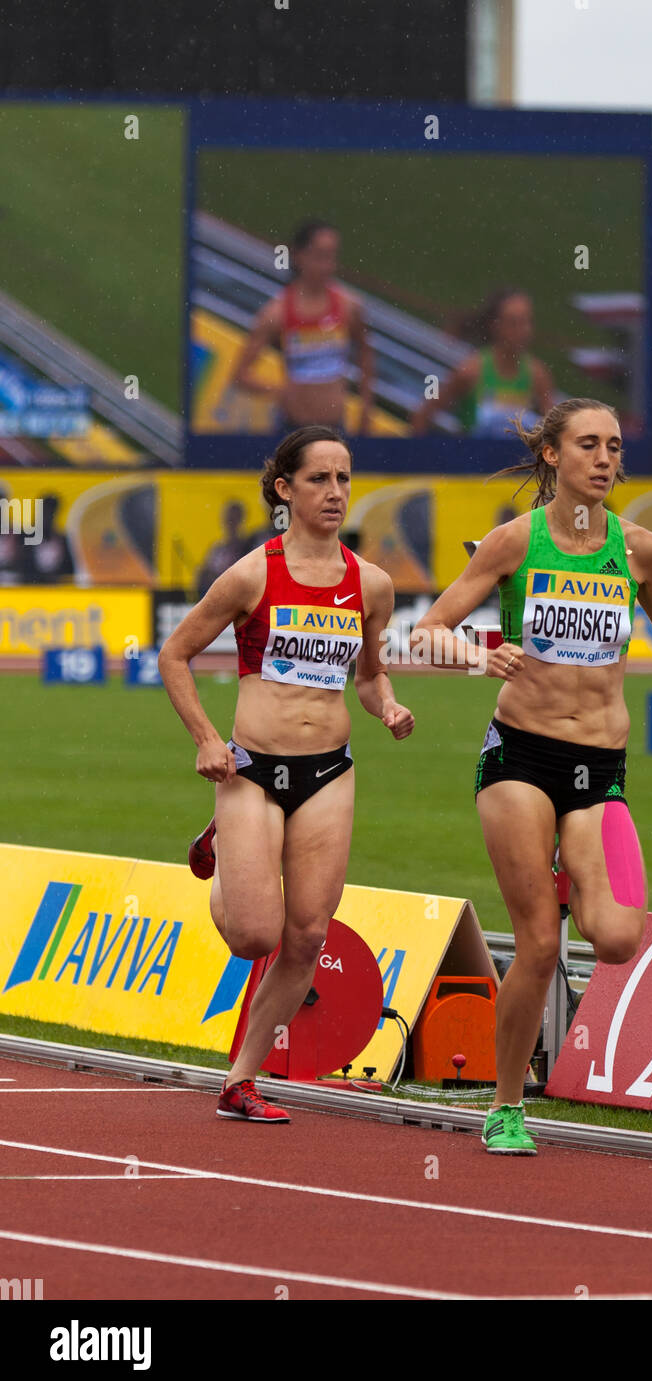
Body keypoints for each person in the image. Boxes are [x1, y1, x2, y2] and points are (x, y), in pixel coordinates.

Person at [411, 398, 652, 1155]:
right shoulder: (514, 544)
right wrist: (482, 654)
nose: (606, 459)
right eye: (588, 445)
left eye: (615, 446)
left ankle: (564, 868)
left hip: (599, 768)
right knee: (540, 946)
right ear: (551, 455)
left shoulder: (639, 549)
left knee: (615, 937)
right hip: (520, 757)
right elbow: (427, 633)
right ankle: (507, 1105)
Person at [158, 425, 414, 1122]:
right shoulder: (252, 575)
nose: (335, 493)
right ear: (285, 490)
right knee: (254, 935)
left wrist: (386, 704)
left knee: (306, 936)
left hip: (329, 770)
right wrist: (207, 739)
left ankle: (241, 1079)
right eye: (319, 480)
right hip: (250, 769)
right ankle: (226, 842)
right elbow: (174, 654)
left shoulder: (372, 584)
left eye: (344, 480)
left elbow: (369, 676)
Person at [229, 220, 373, 434]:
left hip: (336, 429)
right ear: (298, 256)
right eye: (320, 257)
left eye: (332, 256)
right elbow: (240, 376)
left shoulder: (348, 306)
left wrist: (366, 408)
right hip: (292, 430)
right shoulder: (276, 313)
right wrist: (280, 391)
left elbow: (366, 353)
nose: (328, 266)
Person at [410, 288, 556, 438]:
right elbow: (422, 416)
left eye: (527, 322)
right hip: (475, 458)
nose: (524, 330)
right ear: (496, 325)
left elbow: (553, 432)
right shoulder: (471, 371)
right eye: (514, 323)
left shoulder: (537, 374)